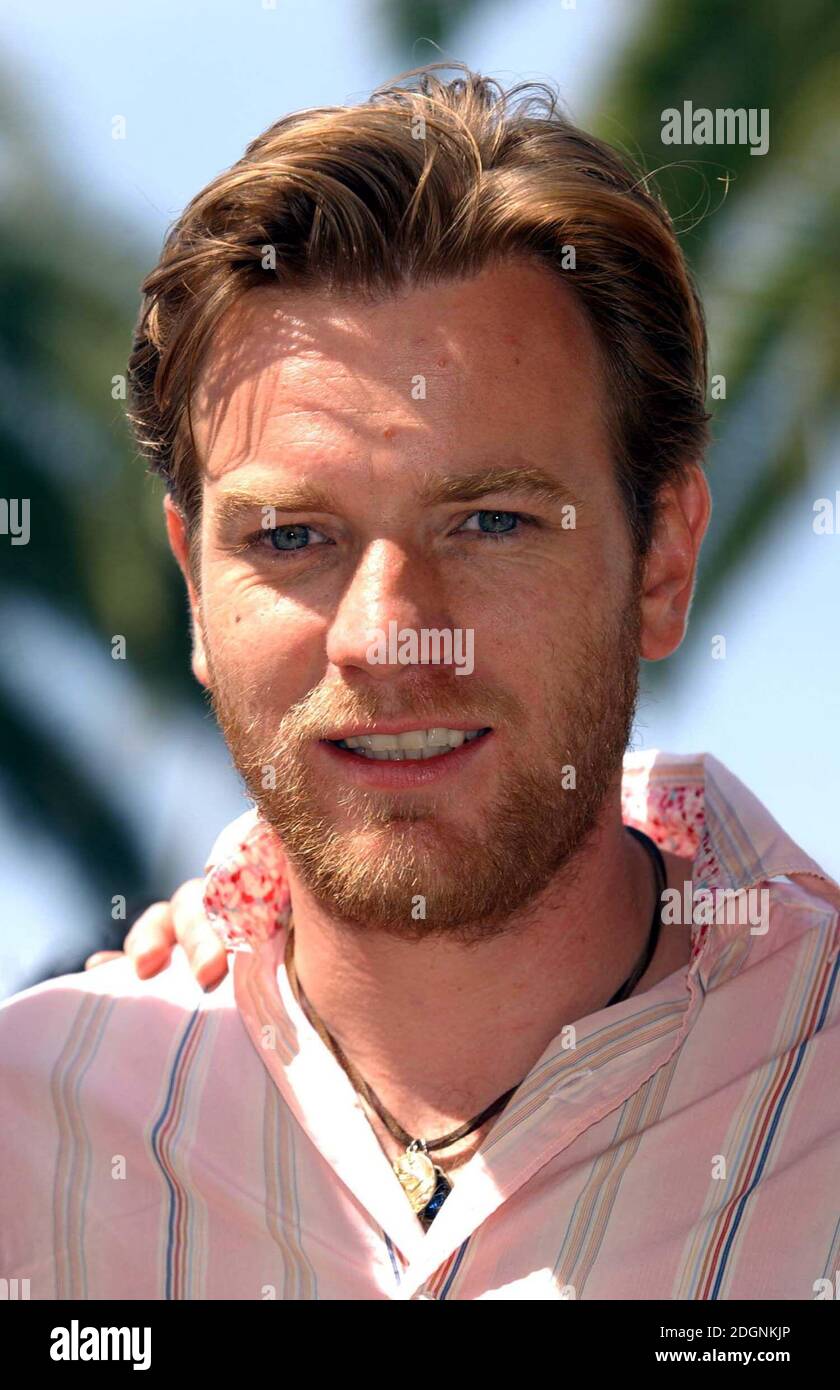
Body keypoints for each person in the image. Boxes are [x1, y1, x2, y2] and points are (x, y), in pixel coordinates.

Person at [2, 63, 838, 1302]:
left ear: (663, 558)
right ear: (193, 584)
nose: (391, 638)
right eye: (292, 537)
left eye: (492, 522)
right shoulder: (34, 1132)